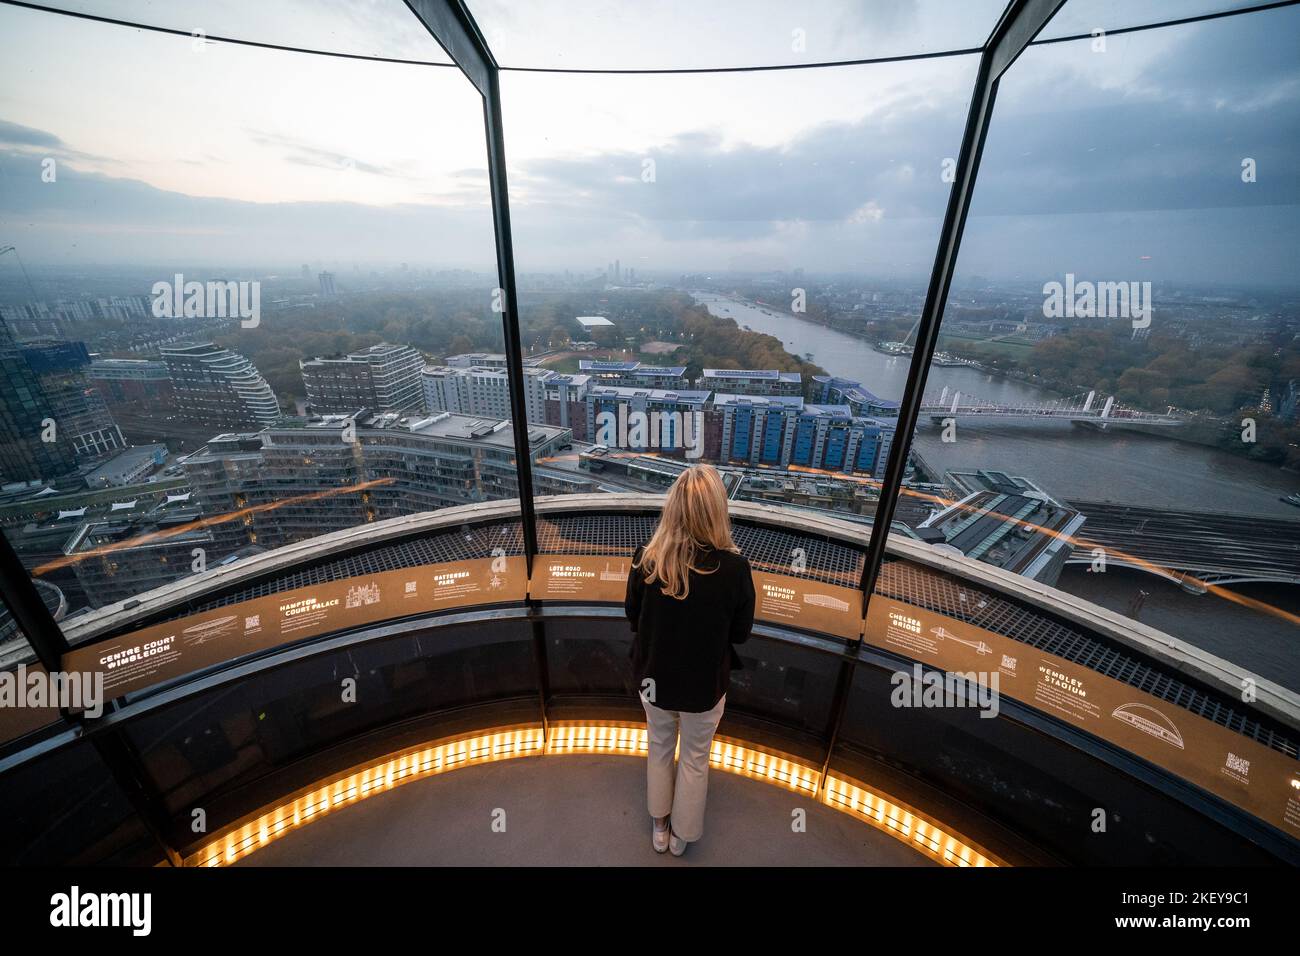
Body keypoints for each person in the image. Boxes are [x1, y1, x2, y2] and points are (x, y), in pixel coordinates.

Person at [624, 465, 755, 857]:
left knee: (660, 748)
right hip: (704, 686)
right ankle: (681, 837)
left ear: (673, 508)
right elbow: (740, 634)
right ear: (717, 510)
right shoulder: (734, 569)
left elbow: (633, 617)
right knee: (695, 760)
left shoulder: (647, 560)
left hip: (655, 681)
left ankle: (659, 826)